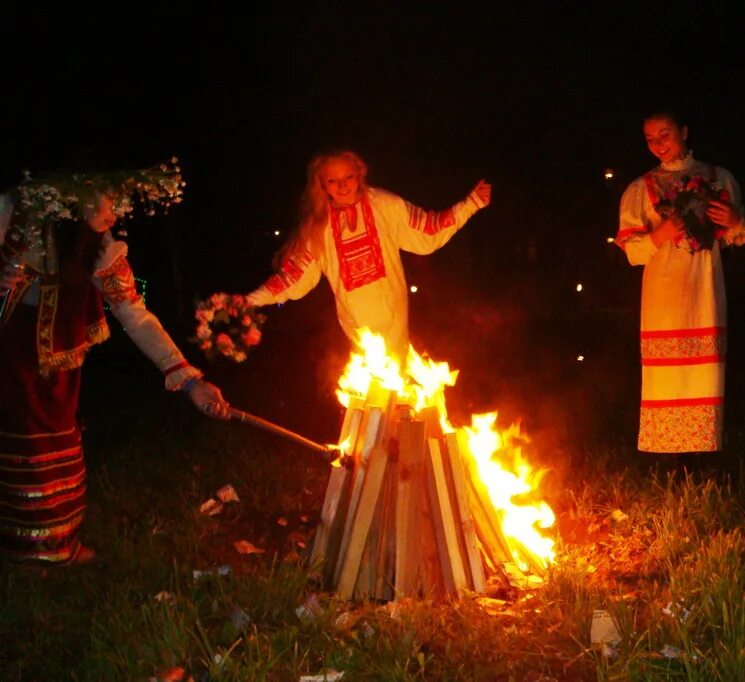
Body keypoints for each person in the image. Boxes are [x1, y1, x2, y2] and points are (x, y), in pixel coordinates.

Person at [0, 190, 230, 567]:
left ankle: (56, 549)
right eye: (112, 201)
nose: (119, 212)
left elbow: (135, 315)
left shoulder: (102, 249)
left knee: (59, 451)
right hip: (12, 363)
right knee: (25, 454)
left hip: (58, 369)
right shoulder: (15, 220)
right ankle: (30, 557)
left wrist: (190, 381)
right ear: (81, 197)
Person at [245, 150, 491, 360]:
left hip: (395, 318)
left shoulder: (384, 204)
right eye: (332, 180)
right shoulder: (318, 228)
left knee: (397, 390)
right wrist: (248, 301)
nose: (342, 186)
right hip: (356, 327)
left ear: (359, 174)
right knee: (368, 395)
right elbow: (293, 278)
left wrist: (469, 204)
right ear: (321, 184)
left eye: (348, 177)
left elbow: (427, 231)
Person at [615, 111, 745, 455]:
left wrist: (735, 221)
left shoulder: (719, 179)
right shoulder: (639, 189)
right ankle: (667, 457)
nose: (658, 144)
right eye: (650, 139)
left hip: (704, 289)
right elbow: (632, 251)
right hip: (663, 293)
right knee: (667, 378)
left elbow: (737, 237)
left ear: (685, 132)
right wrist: (660, 234)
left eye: (665, 135)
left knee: (703, 373)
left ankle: (704, 453)